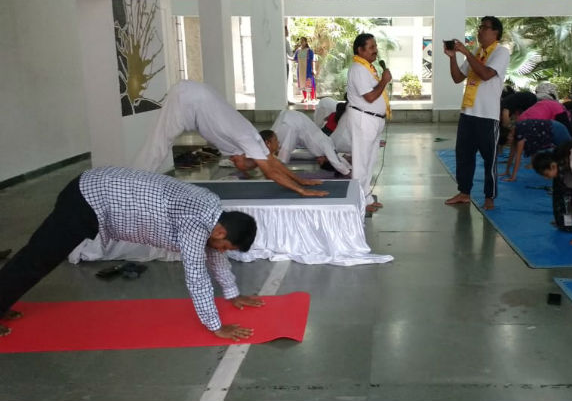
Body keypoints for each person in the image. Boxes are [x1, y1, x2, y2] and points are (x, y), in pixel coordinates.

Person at [0, 167, 263, 339]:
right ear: (220, 233)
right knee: (38, 258)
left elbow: (215, 255)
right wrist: (216, 326)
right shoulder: (195, 223)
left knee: (38, 257)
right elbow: (197, 275)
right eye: (227, 247)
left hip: (97, 190)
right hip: (87, 199)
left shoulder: (213, 210)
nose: (222, 252)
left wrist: (233, 293)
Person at [132, 80, 327, 197]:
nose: (235, 163)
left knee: (159, 144)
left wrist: (301, 180)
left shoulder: (254, 141)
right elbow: (271, 173)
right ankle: (129, 187)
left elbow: (274, 165)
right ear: (248, 155)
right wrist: (302, 191)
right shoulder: (248, 139)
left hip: (195, 99)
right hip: (188, 99)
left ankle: (134, 183)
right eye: (240, 164)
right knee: (158, 145)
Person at [444, 16, 511, 211]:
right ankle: (464, 192)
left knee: (489, 158)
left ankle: (489, 196)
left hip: (487, 115)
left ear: (495, 32)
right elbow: (457, 78)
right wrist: (453, 57)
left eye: (484, 27)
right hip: (468, 112)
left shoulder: (501, 52)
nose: (479, 31)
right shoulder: (477, 53)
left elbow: (486, 74)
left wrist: (465, 52)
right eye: (479, 27)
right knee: (463, 155)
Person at [345, 33, 392, 213]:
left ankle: (366, 197)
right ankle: (358, 201)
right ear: (360, 50)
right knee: (361, 161)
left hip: (373, 119)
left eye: (375, 46)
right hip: (364, 118)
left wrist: (381, 81)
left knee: (370, 160)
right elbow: (370, 96)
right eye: (371, 47)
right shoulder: (358, 68)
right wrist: (384, 81)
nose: (375, 50)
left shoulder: (368, 68)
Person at [270, 109, 351, 175]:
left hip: (292, 118)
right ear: (327, 159)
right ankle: (273, 170)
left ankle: (269, 165)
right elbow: (335, 162)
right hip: (295, 123)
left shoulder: (320, 152)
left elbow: (303, 155)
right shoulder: (328, 146)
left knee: (273, 142)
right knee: (281, 153)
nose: (318, 161)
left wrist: (348, 166)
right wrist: (348, 173)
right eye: (321, 162)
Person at [501, 119, 572, 182]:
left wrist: (513, 177)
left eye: (508, 142)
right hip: (552, 128)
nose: (509, 143)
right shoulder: (514, 133)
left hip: (556, 129)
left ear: (509, 135)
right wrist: (507, 171)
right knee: (566, 155)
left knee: (569, 154)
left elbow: (518, 157)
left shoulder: (519, 132)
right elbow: (511, 154)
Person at [293, 37, 316, 104]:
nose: (301, 42)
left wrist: (313, 69)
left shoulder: (309, 51)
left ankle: (312, 98)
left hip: (308, 70)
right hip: (300, 70)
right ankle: (305, 98)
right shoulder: (298, 51)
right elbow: (294, 59)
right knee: (302, 84)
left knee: (310, 84)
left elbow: (312, 61)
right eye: (301, 41)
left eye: (303, 41)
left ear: (306, 42)